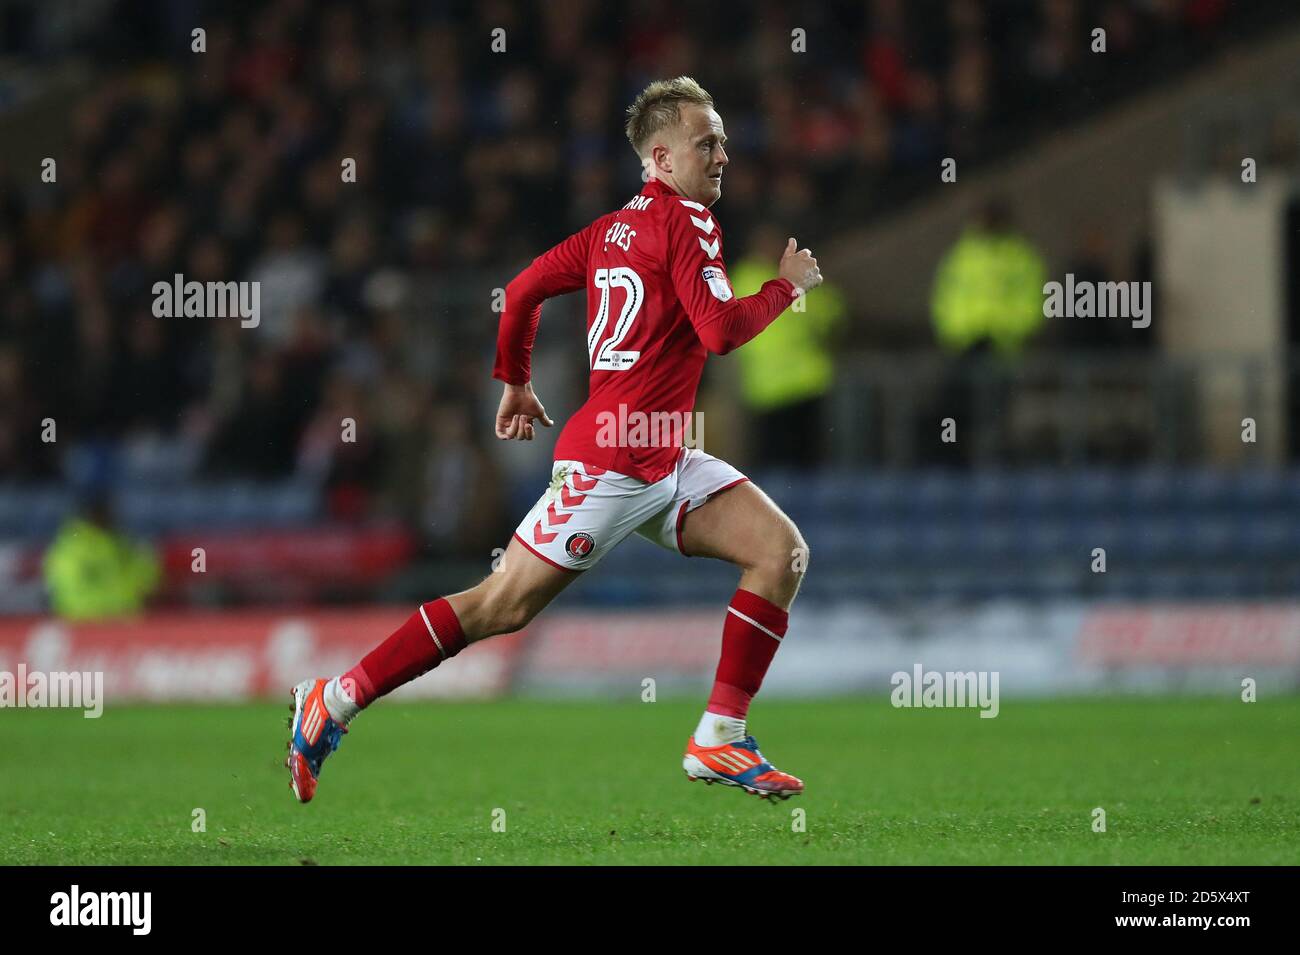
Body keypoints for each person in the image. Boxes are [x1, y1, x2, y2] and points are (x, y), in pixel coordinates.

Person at [285, 76, 824, 803]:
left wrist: (513, 378)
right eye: (708, 142)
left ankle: (719, 737)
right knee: (498, 606)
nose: (723, 154)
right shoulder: (688, 224)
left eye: (722, 139)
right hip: (614, 464)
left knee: (779, 549)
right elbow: (721, 333)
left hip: (658, 454)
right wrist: (785, 288)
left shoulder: (609, 232)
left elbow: (523, 287)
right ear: (660, 159)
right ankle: (336, 697)